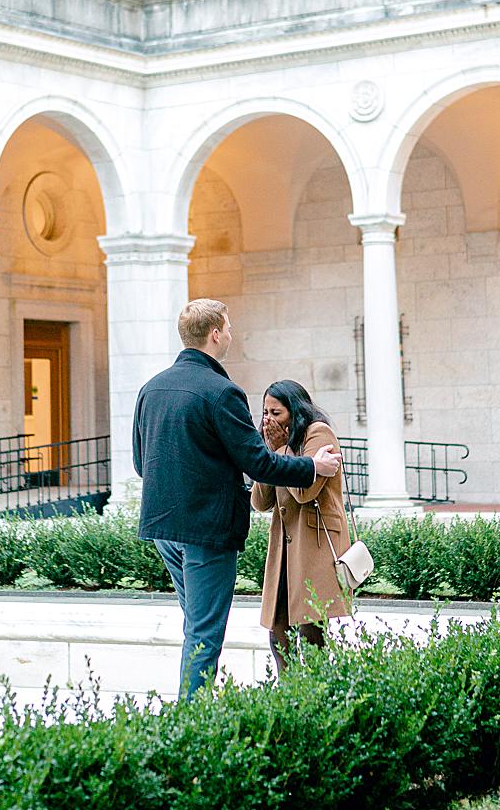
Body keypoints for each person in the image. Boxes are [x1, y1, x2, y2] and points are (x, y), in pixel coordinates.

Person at [132, 298, 343, 698]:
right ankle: (193, 724)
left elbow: (143, 464)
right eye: (228, 328)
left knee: (196, 623)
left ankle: (191, 716)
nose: (230, 335)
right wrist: (312, 467)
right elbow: (258, 463)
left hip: (163, 530)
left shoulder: (150, 389)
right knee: (204, 632)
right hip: (207, 533)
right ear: (215, 334)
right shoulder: (222, 392)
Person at [252, 379, 351, 675]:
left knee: (311, 631)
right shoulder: (279, 445)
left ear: (295, 411)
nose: (268, 419)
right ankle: (289, 696)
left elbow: (304, 492)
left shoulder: (319, 433)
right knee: (277, 631)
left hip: (314, 545)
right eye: (265, 412)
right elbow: (260, 501)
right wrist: (268, 454)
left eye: (276, 412)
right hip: (284, 547)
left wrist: (281, 450)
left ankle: (317, 696)